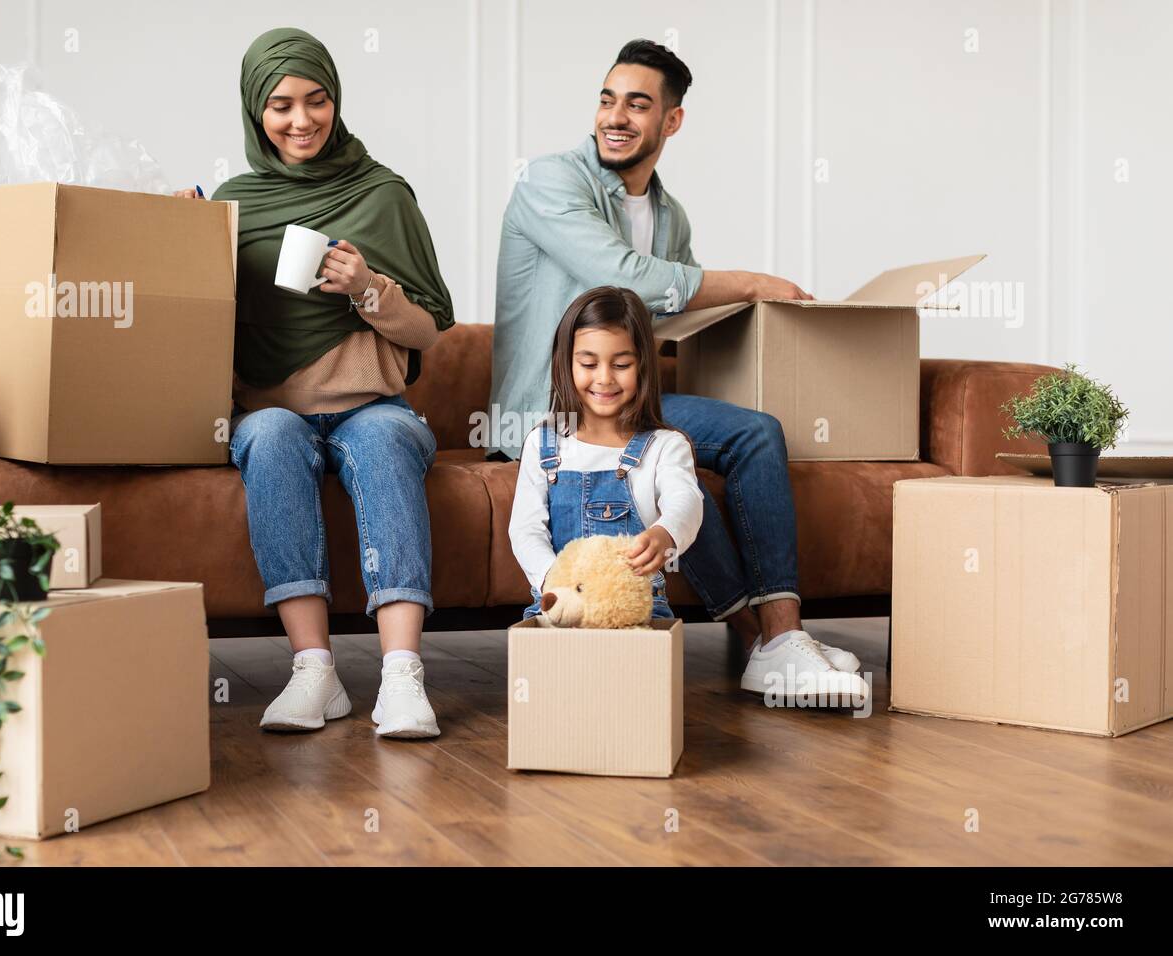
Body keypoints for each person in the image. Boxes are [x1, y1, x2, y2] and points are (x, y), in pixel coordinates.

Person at [491, 39, 865, 698]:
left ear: (671, 121)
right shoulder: (549, 181)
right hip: (551, 410)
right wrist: (753, 282)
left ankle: (776, 639)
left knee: (725, 438)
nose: (616, 116)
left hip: (628, 404)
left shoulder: (670, 216)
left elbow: (665, 321)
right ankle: (770, 640)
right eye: (607, 99)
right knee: (743, 436)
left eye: (638, 104)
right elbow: (624, 277)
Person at [177, 27, 454, 737]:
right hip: (274, 410)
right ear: (254, 112)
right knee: (266, 436)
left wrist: (368, 288)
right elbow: (194, 317)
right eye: (280, 105)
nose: (301, 120)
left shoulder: (384, 194)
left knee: (391, 437)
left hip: (373, 405)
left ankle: (402, 675)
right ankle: (314, 672)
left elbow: (430, 331)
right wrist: (179, 233)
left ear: (336, 101)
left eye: (317, 100)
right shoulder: (235, 205)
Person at [510, 286, 704, 622]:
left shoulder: (665, 446)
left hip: (635, 608)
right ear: (566, 363)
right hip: (561, 604)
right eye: (588, 363)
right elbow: (526, 530)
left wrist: (666, 532)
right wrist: (555, 585)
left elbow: (686, 500)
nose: (604, 378)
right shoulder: (543, 443)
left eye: (621, 364)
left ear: (642, 365)